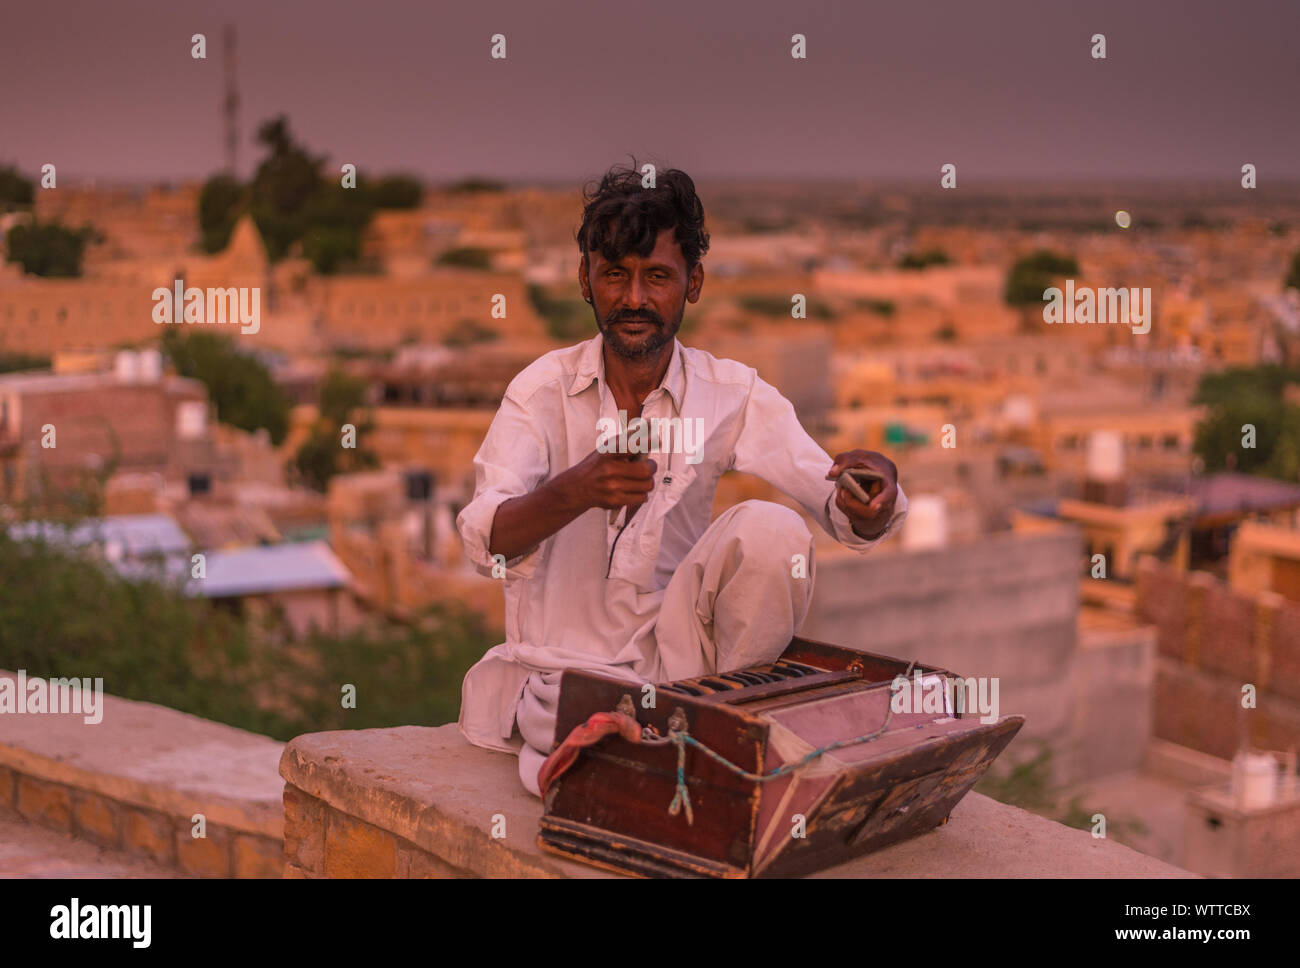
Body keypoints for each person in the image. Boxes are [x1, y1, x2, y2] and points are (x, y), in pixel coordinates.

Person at [456, 162, 908, 795]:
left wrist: (872, 494)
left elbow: (836, 499)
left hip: (684, 675)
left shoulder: (730, 392)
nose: (634, 299)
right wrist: (576, 490)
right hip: (561, 671)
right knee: (572, 729)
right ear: (586, 280)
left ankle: (722, 727)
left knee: (773, 531)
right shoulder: (540, 392)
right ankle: (645, 747)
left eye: (658, 276)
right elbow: (485, 542)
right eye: (615, 275)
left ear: (693, 283)